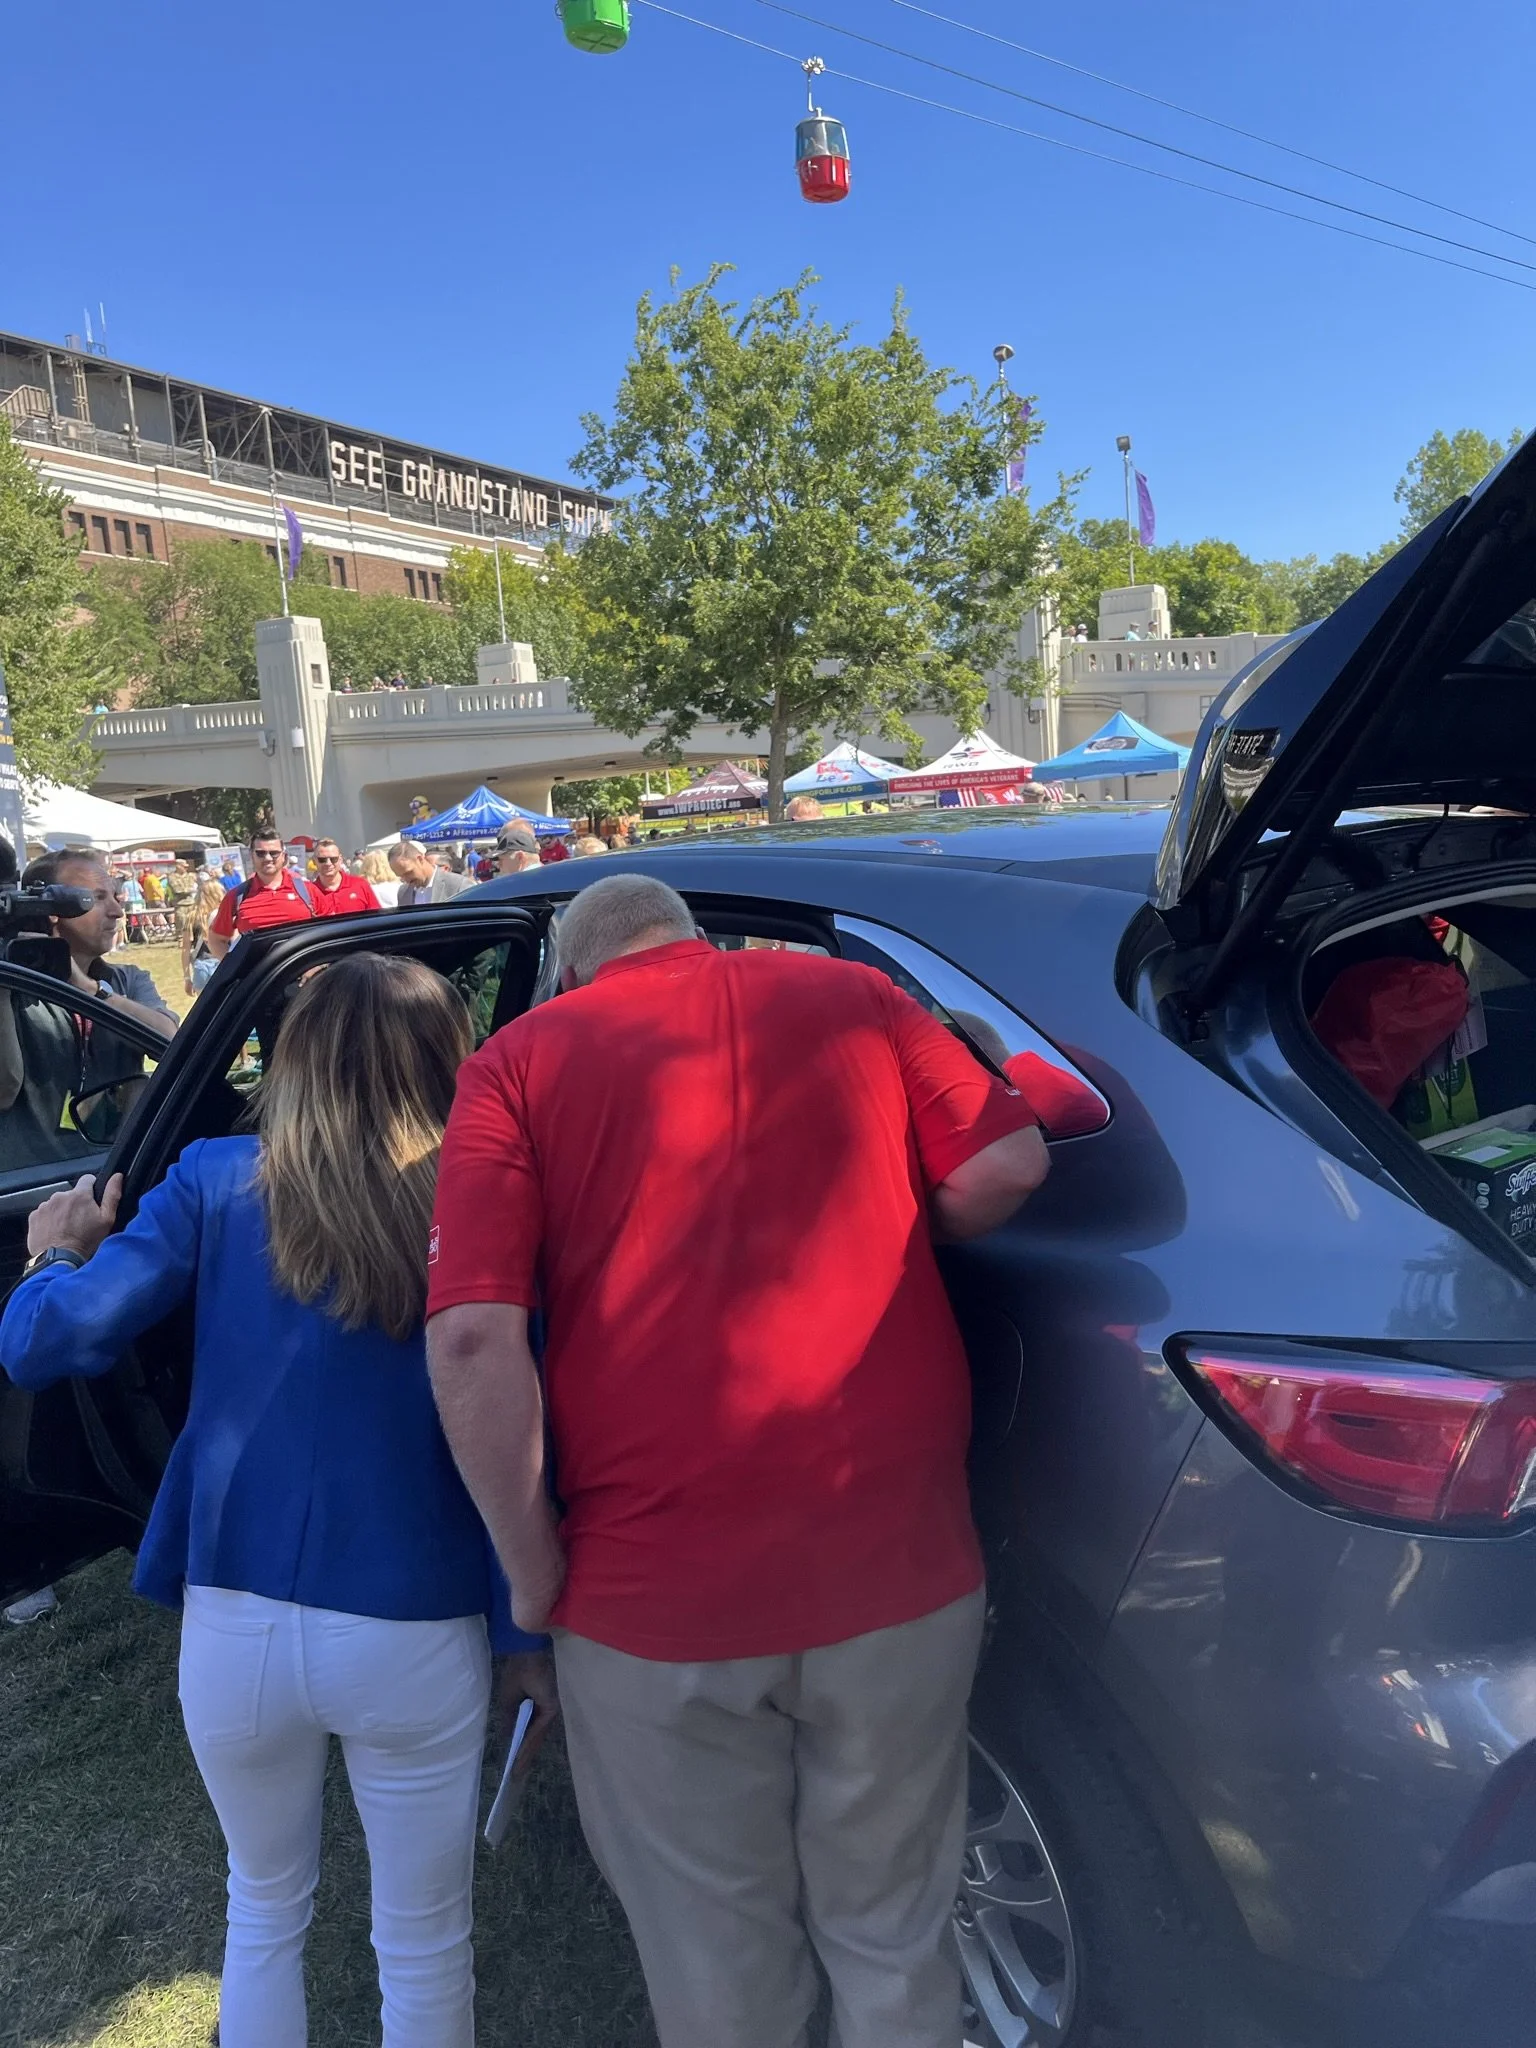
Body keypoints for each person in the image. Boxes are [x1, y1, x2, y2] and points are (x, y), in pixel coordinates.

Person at [425, 873, 1049, 2048]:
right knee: (895, 1929)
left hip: (654, 1598)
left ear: (570, 971)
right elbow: (1005, 1166)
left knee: (716, 1959)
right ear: (696, 939)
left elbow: (470, 1338)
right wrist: (906, 1223)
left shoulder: (515, 1063)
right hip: (898, 1562)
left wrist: (531, 1571)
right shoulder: (855, 997)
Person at [0, 955, 552, 2047]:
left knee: (260, 1907)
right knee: (425, 1938)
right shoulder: (487, 1194)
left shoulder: (214, 1177)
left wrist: (54, 1254)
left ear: (289, 1059)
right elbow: (513, 1428)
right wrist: (521, 1632)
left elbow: (41, 1343)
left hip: (236, 1617)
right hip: (416, 1616)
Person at [18, 850, 178, 1040]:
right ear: (50, 908)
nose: (117, 912)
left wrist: (92, 990)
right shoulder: (15, 984)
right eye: (97, 898)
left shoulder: (127, 980)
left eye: (115, 897)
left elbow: (171, 1039)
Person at [206, 829, 319, 956]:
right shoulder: (236, 897)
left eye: (274, 853)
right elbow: (216, 940)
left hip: (303, 967)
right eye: (260, 853)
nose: (268, 858)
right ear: (252, 856)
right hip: (259, 968)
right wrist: (236, 966)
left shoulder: (307, 890)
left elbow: (328, 930)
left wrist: (319, 964)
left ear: (284, 856)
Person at [182, 875, 230, 996]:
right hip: (223, 963)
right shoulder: (224, 915)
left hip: (201, 966)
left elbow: (185, 949)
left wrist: (187, 977)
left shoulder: (192, 916)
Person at [389, 840, 472, 908]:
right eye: (401, 876)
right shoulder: (403, 892)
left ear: (420, 859)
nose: (406, 880)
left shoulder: (459, 885)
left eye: (408, 872)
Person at [310, 837, 381, 916]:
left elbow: (377, 917)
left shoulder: (360, 884)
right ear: (314, 861)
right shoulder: (310, 893)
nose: (328, 863)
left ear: (340, 859)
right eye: (322, 860)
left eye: (333, 859)